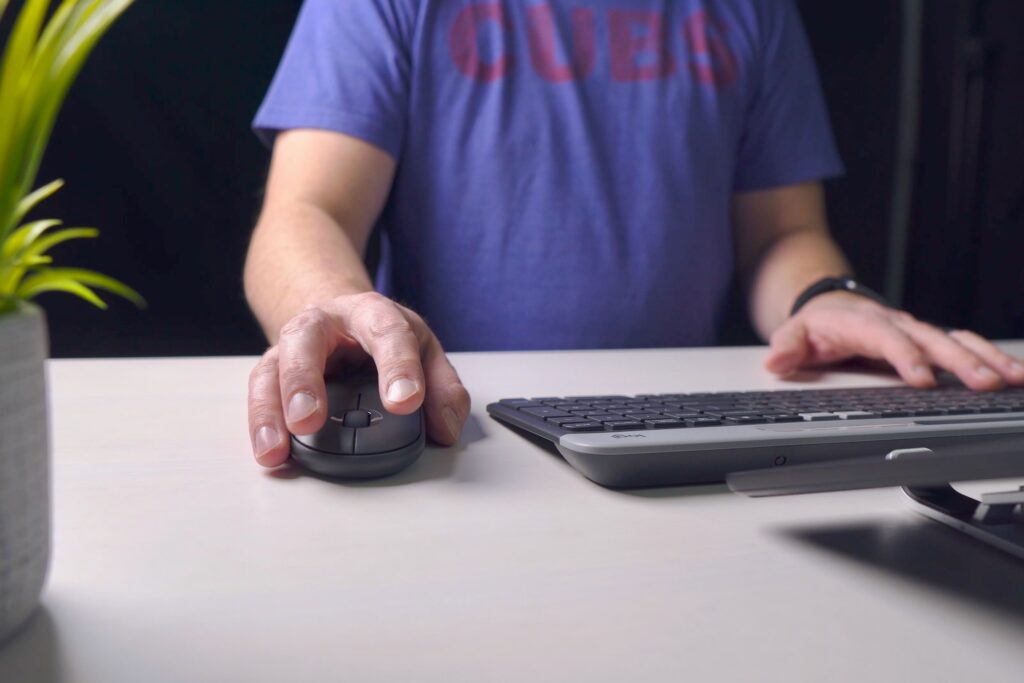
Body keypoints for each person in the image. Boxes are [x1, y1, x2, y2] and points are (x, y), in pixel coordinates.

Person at [243, 0, 1024, 467]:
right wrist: (335, 310)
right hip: (459, 435)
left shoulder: (749, 8)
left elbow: (782, 233)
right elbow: (305, 212)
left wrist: (824, 296)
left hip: (670, 439)